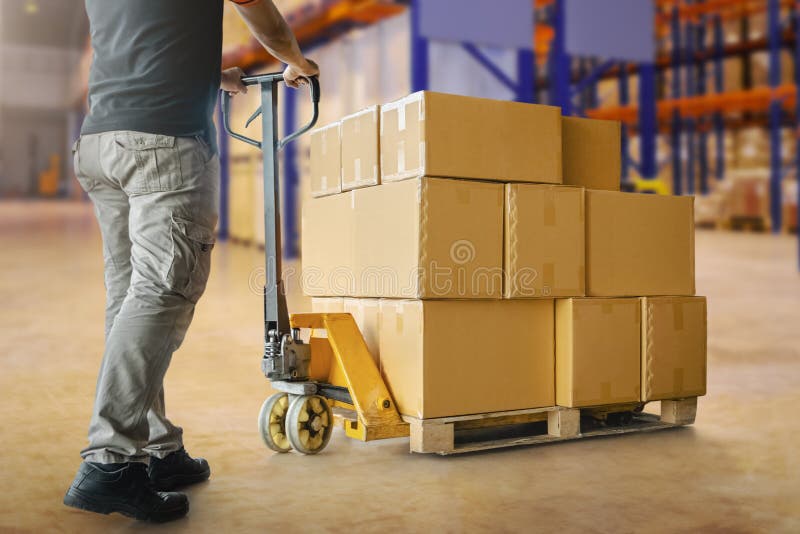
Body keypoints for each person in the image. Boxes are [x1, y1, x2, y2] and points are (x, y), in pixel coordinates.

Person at [64, 0, 318, 523]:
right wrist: (296, 60)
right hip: (163, 143)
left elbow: (143, 35)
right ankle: (111, 459)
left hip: (102, 142)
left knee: (132, 298)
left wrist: (210, 77)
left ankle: (155, 447)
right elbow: (263, 16)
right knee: (161, 295)